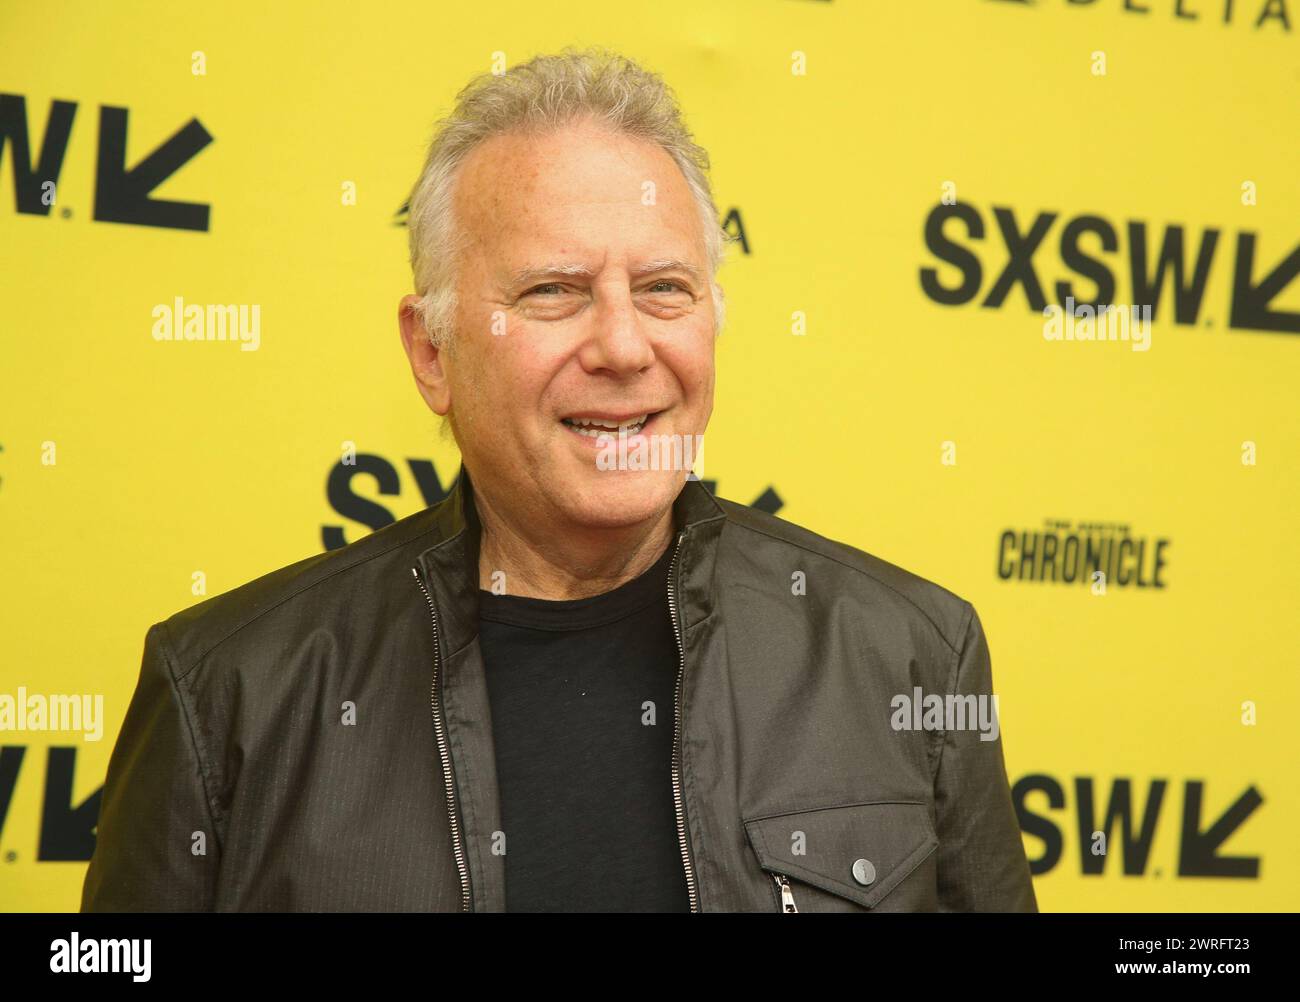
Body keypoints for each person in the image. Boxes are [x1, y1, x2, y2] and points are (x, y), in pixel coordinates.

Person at [82, 47, 1036, 912]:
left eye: (665, 288)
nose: (625, 346)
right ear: (432, 352)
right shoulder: (229, 694)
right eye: (554, 292)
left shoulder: (909, 654)